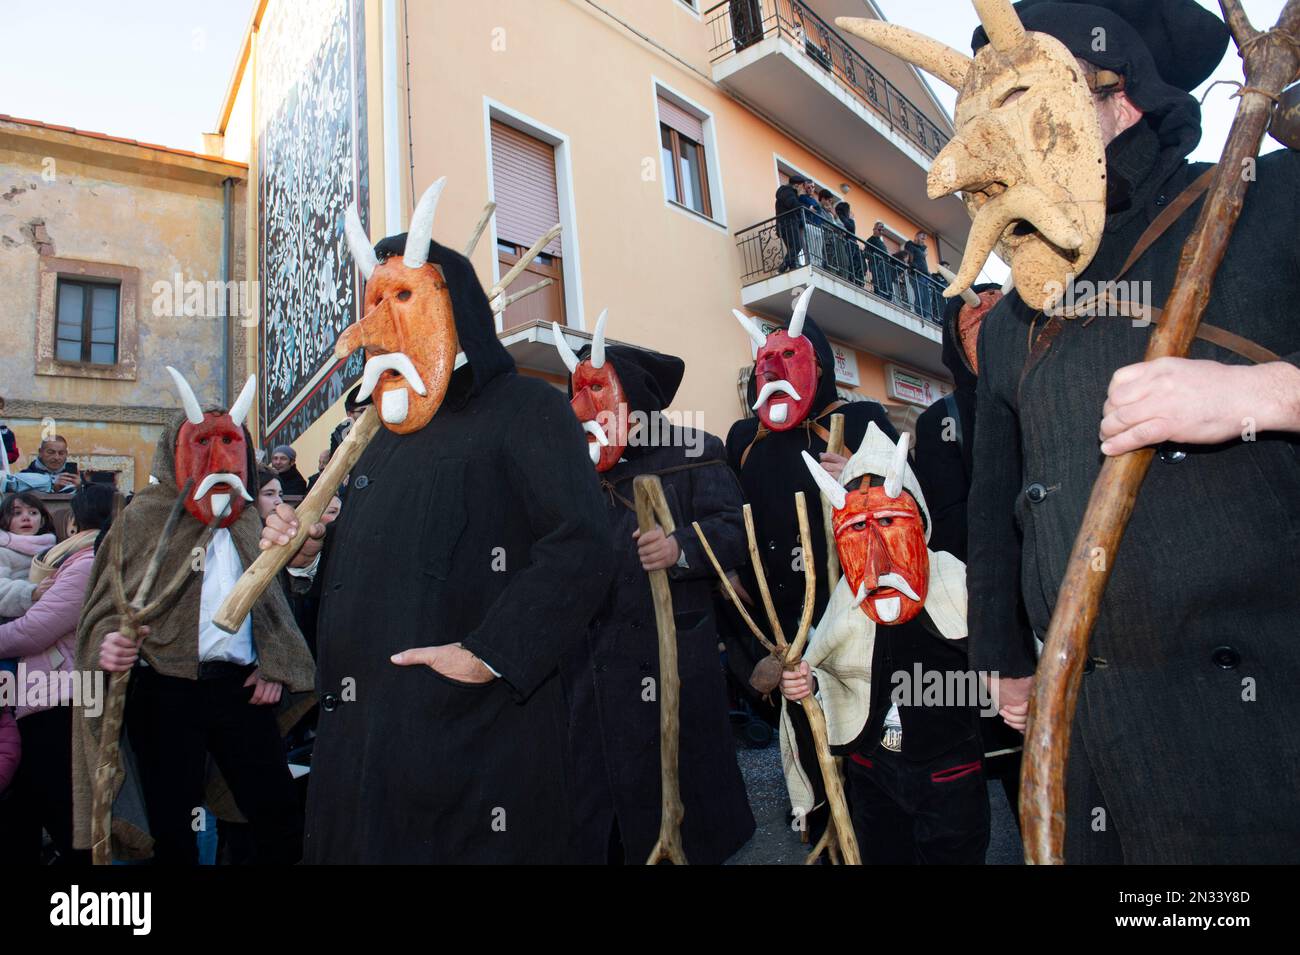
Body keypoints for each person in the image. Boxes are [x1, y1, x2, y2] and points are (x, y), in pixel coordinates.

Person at [857, 0, 1300, 862]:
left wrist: (1266, 394)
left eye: (1017, 103)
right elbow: (995, 501)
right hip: (1088, 742)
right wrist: (1005, 655)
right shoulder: (1024, 308)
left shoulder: (1261, 205)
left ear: (1119, 97)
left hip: (1260, 740)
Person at [265, 181, 612, 863]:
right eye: (374, 301)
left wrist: (489, 654)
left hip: (471, 757)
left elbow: (582, 546)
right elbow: (352, 575)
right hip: (358, 763)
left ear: (456, 312)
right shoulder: (366, 439)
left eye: (403, 297)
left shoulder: (527, 412)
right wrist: (307, 554)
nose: (381, 321)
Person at [73, 370, 315, 864]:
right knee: (172, 829)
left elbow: (273, 605)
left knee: (276, 816)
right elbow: (103, 608)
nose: (219, 457)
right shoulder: (144, 517)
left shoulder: (249, 517)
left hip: (240, 692)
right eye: (204, 442)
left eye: (230, 442)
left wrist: (273, 664)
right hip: (165, 691)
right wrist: (110, 643)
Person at [552, 319, 756, 864]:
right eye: (576, 392)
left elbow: (735, 530)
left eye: (595, 390)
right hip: (593, 662)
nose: (581, 407)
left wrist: (680, 547)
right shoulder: (576, 464)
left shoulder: (694, 448)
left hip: (672, 657)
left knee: (682, 785)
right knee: (603, 796)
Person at [783, 424, 990, 863]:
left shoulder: (957, 581)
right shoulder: (845, 599)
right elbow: (827, 666)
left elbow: (1008, 655)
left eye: (890, 522)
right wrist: (808, 685)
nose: (875, 560)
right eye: (857, 528)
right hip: (872, 767)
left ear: (920, 523)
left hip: (948, 767)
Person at [0, 483, 114, 865]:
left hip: (62, 696)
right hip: (44, 694)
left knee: (64, 808)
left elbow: (36, 629)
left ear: (73, 523)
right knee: (30, 806)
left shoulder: (86, 562)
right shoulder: (70, 561)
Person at [0, 493, 55, 620]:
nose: (26, 518)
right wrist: (31, 593)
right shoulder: (2, 551)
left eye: (33, 513)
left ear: (42, 521)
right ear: (3, 520)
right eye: (17, 513)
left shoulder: (54, 550)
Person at [775, 175, 809, 272]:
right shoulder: (788, 192)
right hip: (788, 224)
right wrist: (806, 207)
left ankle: (792, 269)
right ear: (797, 185)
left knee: (792, 249)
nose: (803, 189)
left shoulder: (786, 192)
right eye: (802, 186)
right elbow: (793, 204)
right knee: (797, 246)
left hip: (785, 224)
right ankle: (781, 269)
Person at [865, 221, 894, 301]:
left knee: (886, 284)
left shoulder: (881, 242)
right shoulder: (870, 240)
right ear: (874, 229)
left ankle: (887, 298)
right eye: (879, 229)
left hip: (884, 266)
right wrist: (875, 260)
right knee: (879, 283)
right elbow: (866, 253)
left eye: (882, 230)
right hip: (876, 265)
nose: (881, 232)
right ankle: (880, 297)